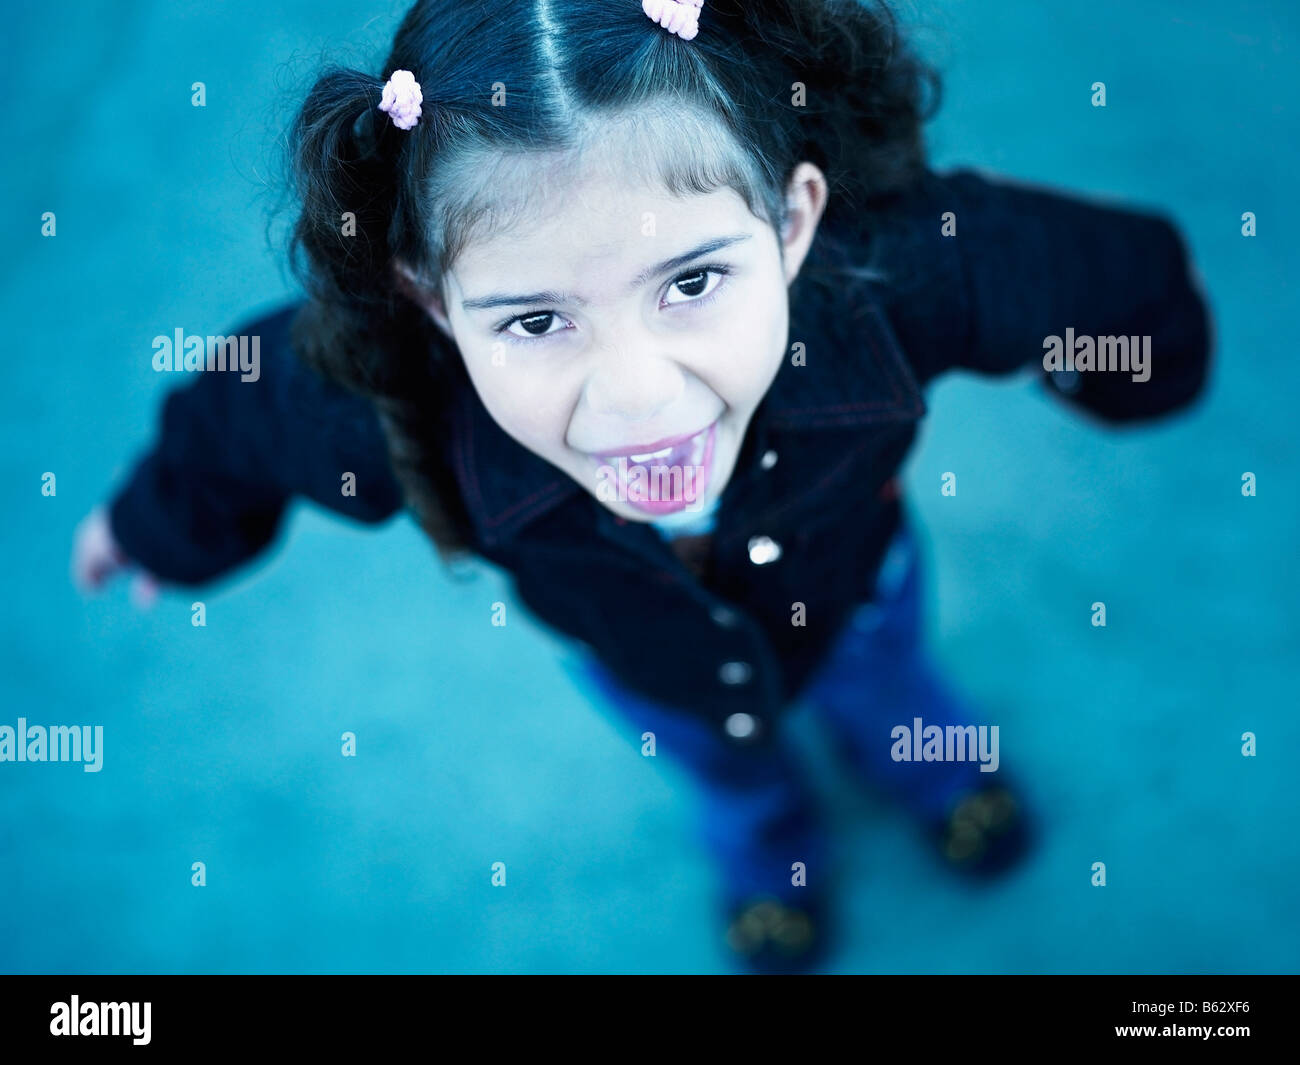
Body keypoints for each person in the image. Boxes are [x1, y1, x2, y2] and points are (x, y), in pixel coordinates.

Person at [72, 0, 1212, 973]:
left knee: (888, 682)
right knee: (718, 758)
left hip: (856, 586)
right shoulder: (383, 393)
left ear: (793, 221)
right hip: (643, 658)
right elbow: (234, 412)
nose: (636, 397)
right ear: (430, 302)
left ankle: (928, 770)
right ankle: (770, 848)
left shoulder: (906, 267)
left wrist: (1109, 374)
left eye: (694, 282)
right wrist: (154, 526)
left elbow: (1124, 277)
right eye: (531, 318)